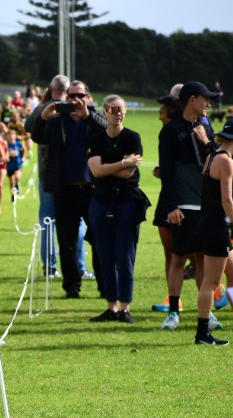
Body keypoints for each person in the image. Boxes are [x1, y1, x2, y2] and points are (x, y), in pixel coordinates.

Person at [31, 79, 106, 299]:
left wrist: (87, 116)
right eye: (71, 96)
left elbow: (108, 131)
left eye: (80, 96)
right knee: (67, 242)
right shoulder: (57, 120)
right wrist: (42, 118)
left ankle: (104, 287)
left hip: (93, 190)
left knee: (98, 239)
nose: (75, 100)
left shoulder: (94, 118)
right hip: (65, 190)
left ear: (88, 97)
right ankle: (72, 288)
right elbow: (37, 137)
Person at [157, 81, 221, 331]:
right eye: (206, 98)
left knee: (202, 259)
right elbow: (168, 170)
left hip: (205, 205)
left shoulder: (205, 125)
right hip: (181, 206)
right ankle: (173, 312)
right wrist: (172, 205)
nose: (209, 103)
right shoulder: (171, 130)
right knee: (177, 257)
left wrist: (207, 141)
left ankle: (207, 314)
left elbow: (219, 158)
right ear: (192, 100)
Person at [86, 96, 150, 323]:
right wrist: (123, 162)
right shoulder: (96, 138)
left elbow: (128, 174)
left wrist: (109, 167)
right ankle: (111, 307)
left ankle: (125, 307)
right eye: (113, 109)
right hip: (101, 202)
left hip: (127, 203)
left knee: (125, 257)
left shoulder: (133, 138)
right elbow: (95, 171)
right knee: (105, 256)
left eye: (121, 110)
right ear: (104, 112)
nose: (118, 113)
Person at [195, 117, 233, 344]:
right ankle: (202, 333)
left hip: (210, 222)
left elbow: (214, 197)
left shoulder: (211, 157)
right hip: (216, 227)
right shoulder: (227, 161)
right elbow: (227, 200)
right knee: (211, 281)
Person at [25, 75, 69, 278]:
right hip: (71, 174)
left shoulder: (42, 109)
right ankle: (78, 265)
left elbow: (27, 126)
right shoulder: (72, 107)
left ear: (50, 88)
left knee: (47, 221)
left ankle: (49, 267)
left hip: (47, 173)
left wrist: (43, 104)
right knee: (75, 223)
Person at [151, 95, 186, 313]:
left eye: (162, 111)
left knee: (185, 252)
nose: (159, 116)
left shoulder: (173, 131)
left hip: (176, 199)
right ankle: (175, 299)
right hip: (171, 197)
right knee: (172, 252)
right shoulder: (171, 131)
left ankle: (215, 292)